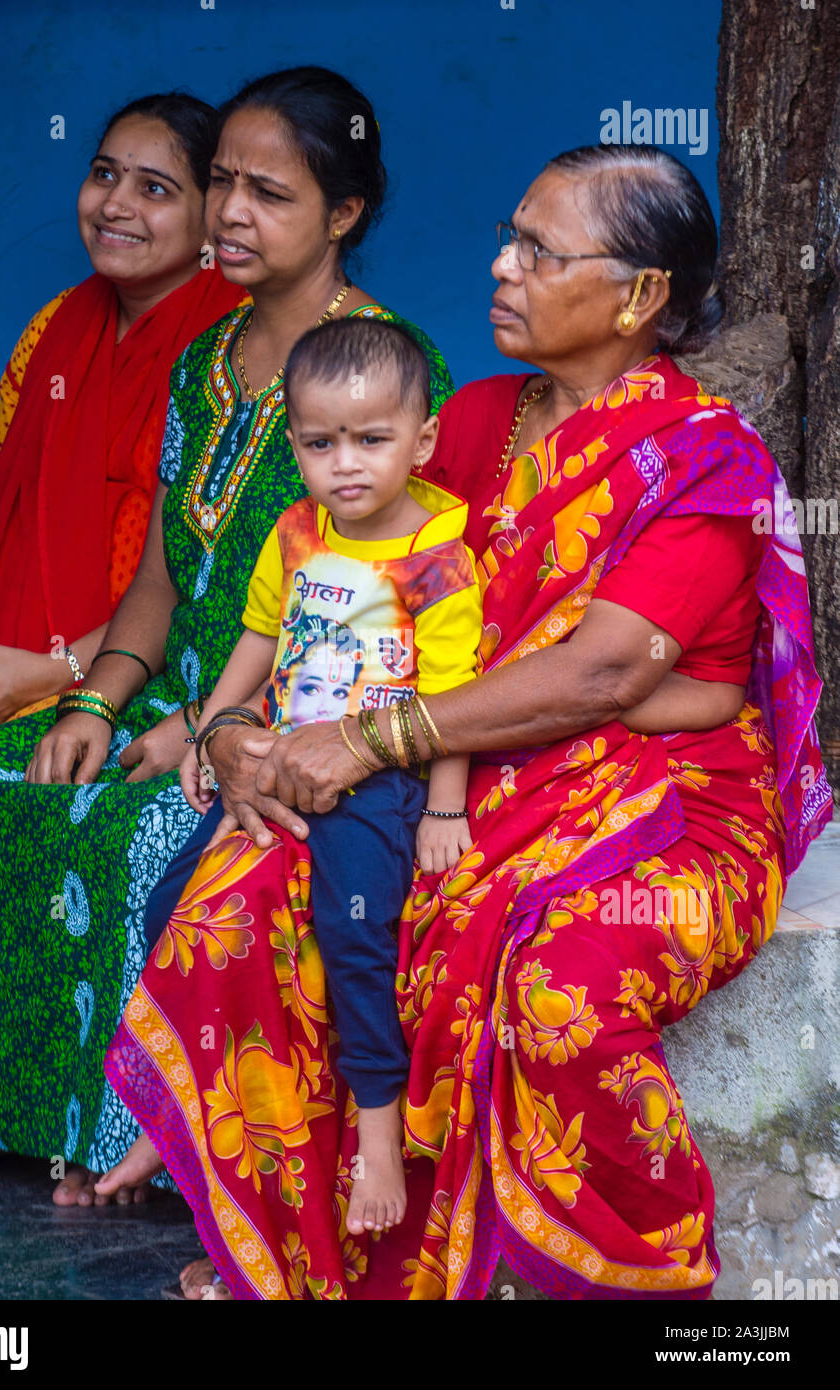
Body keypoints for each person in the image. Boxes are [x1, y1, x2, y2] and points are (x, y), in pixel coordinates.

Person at [102, 143, 831, 1299]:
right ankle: (303, 1243)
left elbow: (601, 678)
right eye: (511, 235)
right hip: (472, 768)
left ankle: (653, 1287)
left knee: (561, 986)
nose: (501, 264)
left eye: (539, 251)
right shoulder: (475, 419)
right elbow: (350, 609)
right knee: (252, 899)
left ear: (640, 296)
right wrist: (236, 736)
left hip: (673, 806)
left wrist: (374, 739)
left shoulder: (702, 463)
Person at [0, 67, 454, 1210]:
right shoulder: (205, 365)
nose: (231, 216)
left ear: (343, 214)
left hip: (306, 715)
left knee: (136, 827)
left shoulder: (390, 367)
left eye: (270, 193)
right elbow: (163, 569)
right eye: (222, 185)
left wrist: (212, 730)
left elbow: (396, 608)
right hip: (174, 701)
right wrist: (97, 702)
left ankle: (117, 1135)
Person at [0, 91, 243, 954]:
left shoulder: (228, 349)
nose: (114, 202)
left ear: (207, 223)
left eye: (154, 189)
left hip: (133, 669)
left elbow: (191, 576)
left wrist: (55, 673)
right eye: (104, 173)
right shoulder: (53, 327)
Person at [157, 316, 481, 1236]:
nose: (345, 464)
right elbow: (259, 639)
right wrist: (209, 730)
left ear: (420, 441)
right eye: (319, 442)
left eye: (371, 440)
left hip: (381, 781)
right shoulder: (296, 532)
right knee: (175, 900)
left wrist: (442, 808)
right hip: (280, 761)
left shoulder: (438, 556)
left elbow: (457, 695)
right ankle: (174, 1118)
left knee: (353, 942)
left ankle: (377, 1134)